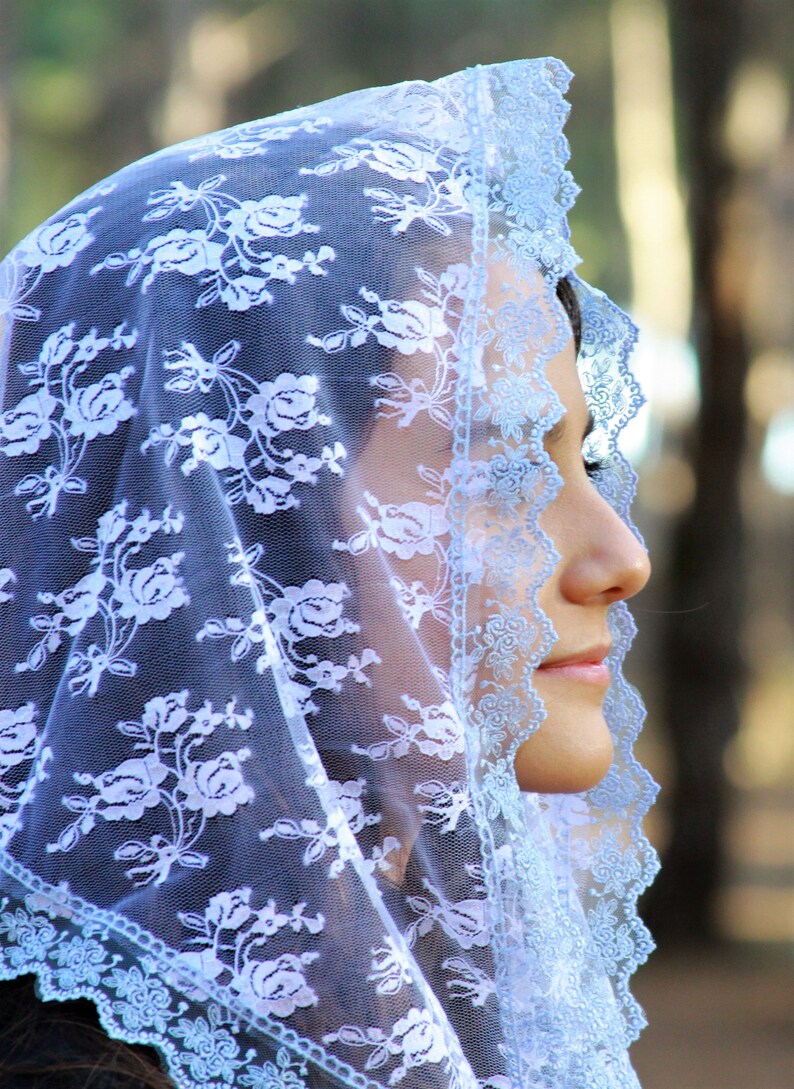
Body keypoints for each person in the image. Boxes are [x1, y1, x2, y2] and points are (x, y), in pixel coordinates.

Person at [0, 58, 658, 1088]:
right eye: (498, 467)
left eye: (586, 460)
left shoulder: (412, 995)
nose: (621, 558)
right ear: (248, 524)